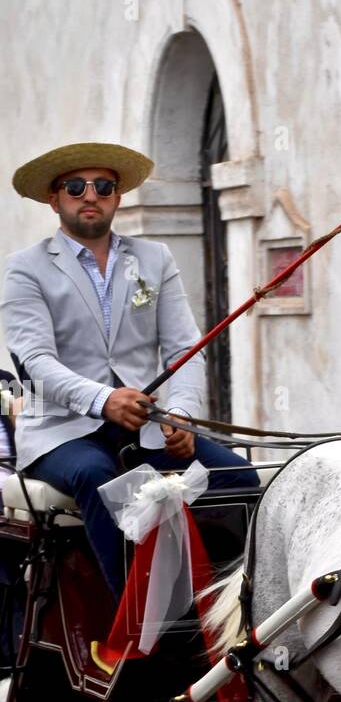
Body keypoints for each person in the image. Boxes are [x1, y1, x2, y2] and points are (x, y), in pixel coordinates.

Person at [0, 140, 257, 601]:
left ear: (118, 196)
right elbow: (36, 362)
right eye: (75, 186)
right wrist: (103, 400)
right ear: (54, 199)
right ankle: (140, 624)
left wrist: (180, 414)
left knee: (239, 480)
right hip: (62, 432)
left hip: (147, 426)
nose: (90, 194)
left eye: (104, 185)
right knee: (104, 478)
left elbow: (184, 349)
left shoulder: (154, 258)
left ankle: (227, 603)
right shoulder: (24, 269)